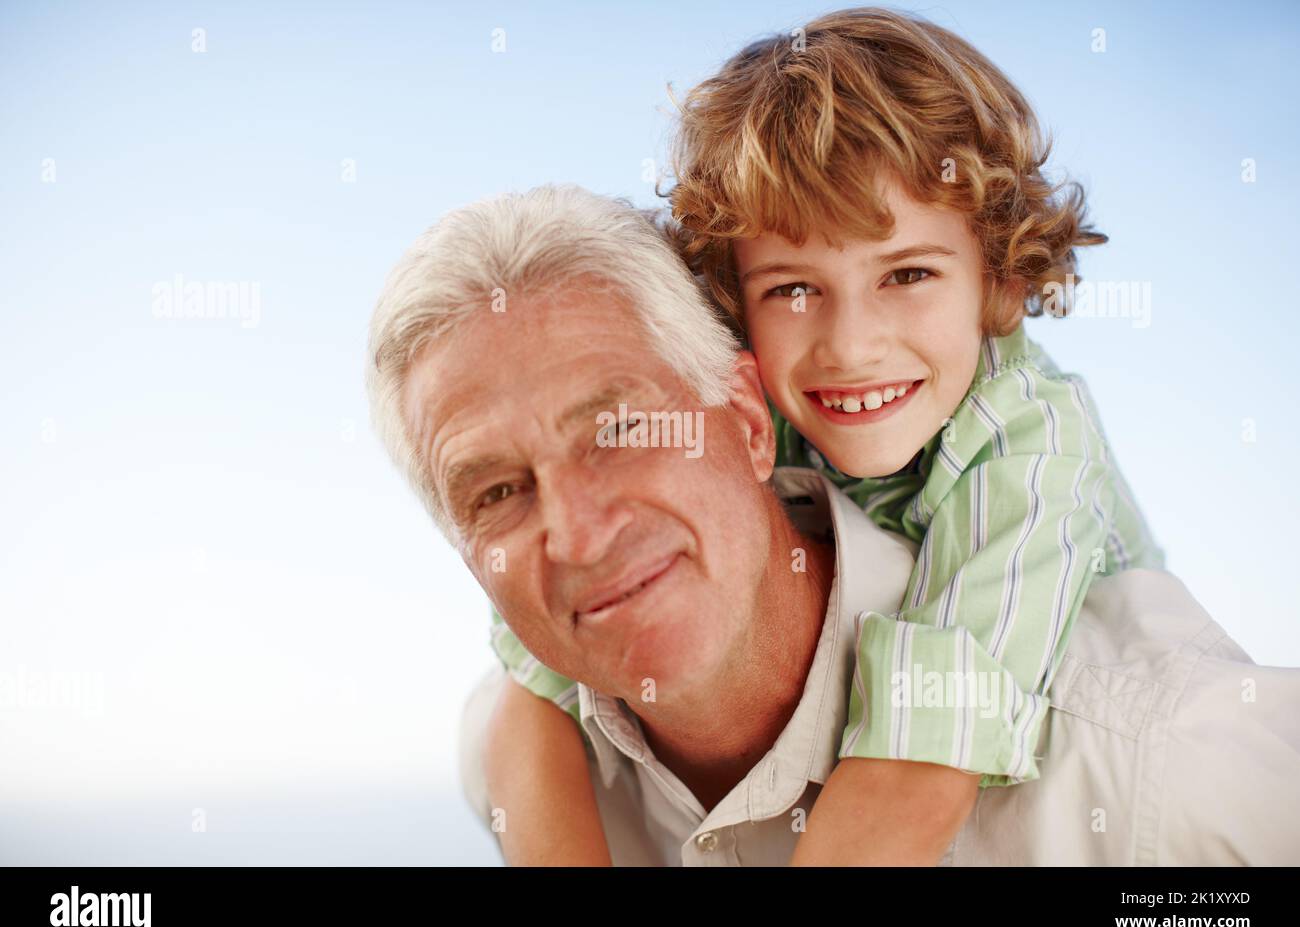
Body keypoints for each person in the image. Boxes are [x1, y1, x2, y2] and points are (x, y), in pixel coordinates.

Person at [366, 183, 1300, 866]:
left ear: (744, 419)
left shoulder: (1169, 764)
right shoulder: (506, 755)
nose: (575, 533)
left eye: (621, 430)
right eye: (495, 492)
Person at [482, 7, 1164, 863]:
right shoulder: (748, 405)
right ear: (731, 306)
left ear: (1000, 276)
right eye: (793, 289)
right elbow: (531, 689)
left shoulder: (1030, 444)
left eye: (908, 274)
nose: (849, 346)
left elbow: (921, 755)